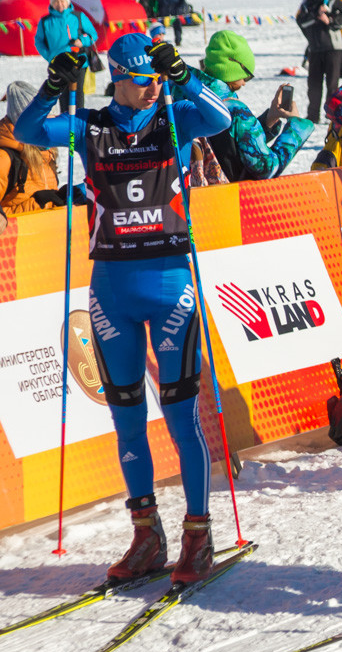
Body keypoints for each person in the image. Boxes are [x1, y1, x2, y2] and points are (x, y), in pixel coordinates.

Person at [15, 32, 232, 584]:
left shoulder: (177, 115)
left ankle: (199, 536)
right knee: (127, 417)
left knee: (184, 417)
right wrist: (54, 85)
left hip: (170, 284)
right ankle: (147, 535)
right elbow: (28, 131)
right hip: (111, 286)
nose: (153, 87)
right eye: (144, 80)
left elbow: (221, 119)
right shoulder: (91, 126)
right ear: (119, 78)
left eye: (157, 79)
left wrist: (181, 72)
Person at [195, 30, 312, 181]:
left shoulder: (190, 94)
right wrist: (296, 128)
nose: (244, 83)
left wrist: (269, 120)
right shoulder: (235, 110)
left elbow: (233, 144)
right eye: (246, 76)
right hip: (230, 197)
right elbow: (265, 168)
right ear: (231, 67)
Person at [0, 81, 62, 214]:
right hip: (19, 234)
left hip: (46, 231)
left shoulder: (47, 151)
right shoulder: (5, 158)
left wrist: (61, 198)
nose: (52, 128)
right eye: (46, 122)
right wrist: (35, 204)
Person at [34, 0, 97, 112]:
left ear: (68, 2)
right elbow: (39, 42)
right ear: (52, 3)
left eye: (62, 1)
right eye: (56, 1)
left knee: (77, 93)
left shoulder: (78, 16)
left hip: (78, 62)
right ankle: (64, 122)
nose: (60, 4)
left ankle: (78, 121)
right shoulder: (45, 21)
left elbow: (93, 35)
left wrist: (82, 41)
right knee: (62, 94)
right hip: (58, 64)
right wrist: (50, 56)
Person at [296, 0, 342, 123]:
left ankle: (331, 114)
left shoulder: (332, 1)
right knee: (313, 85)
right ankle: (313, 115)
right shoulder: (306, 4)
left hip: (333, 49)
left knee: (332, 84)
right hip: (315, 49)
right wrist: (315, 15)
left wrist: (329, 19)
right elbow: (301, 22)